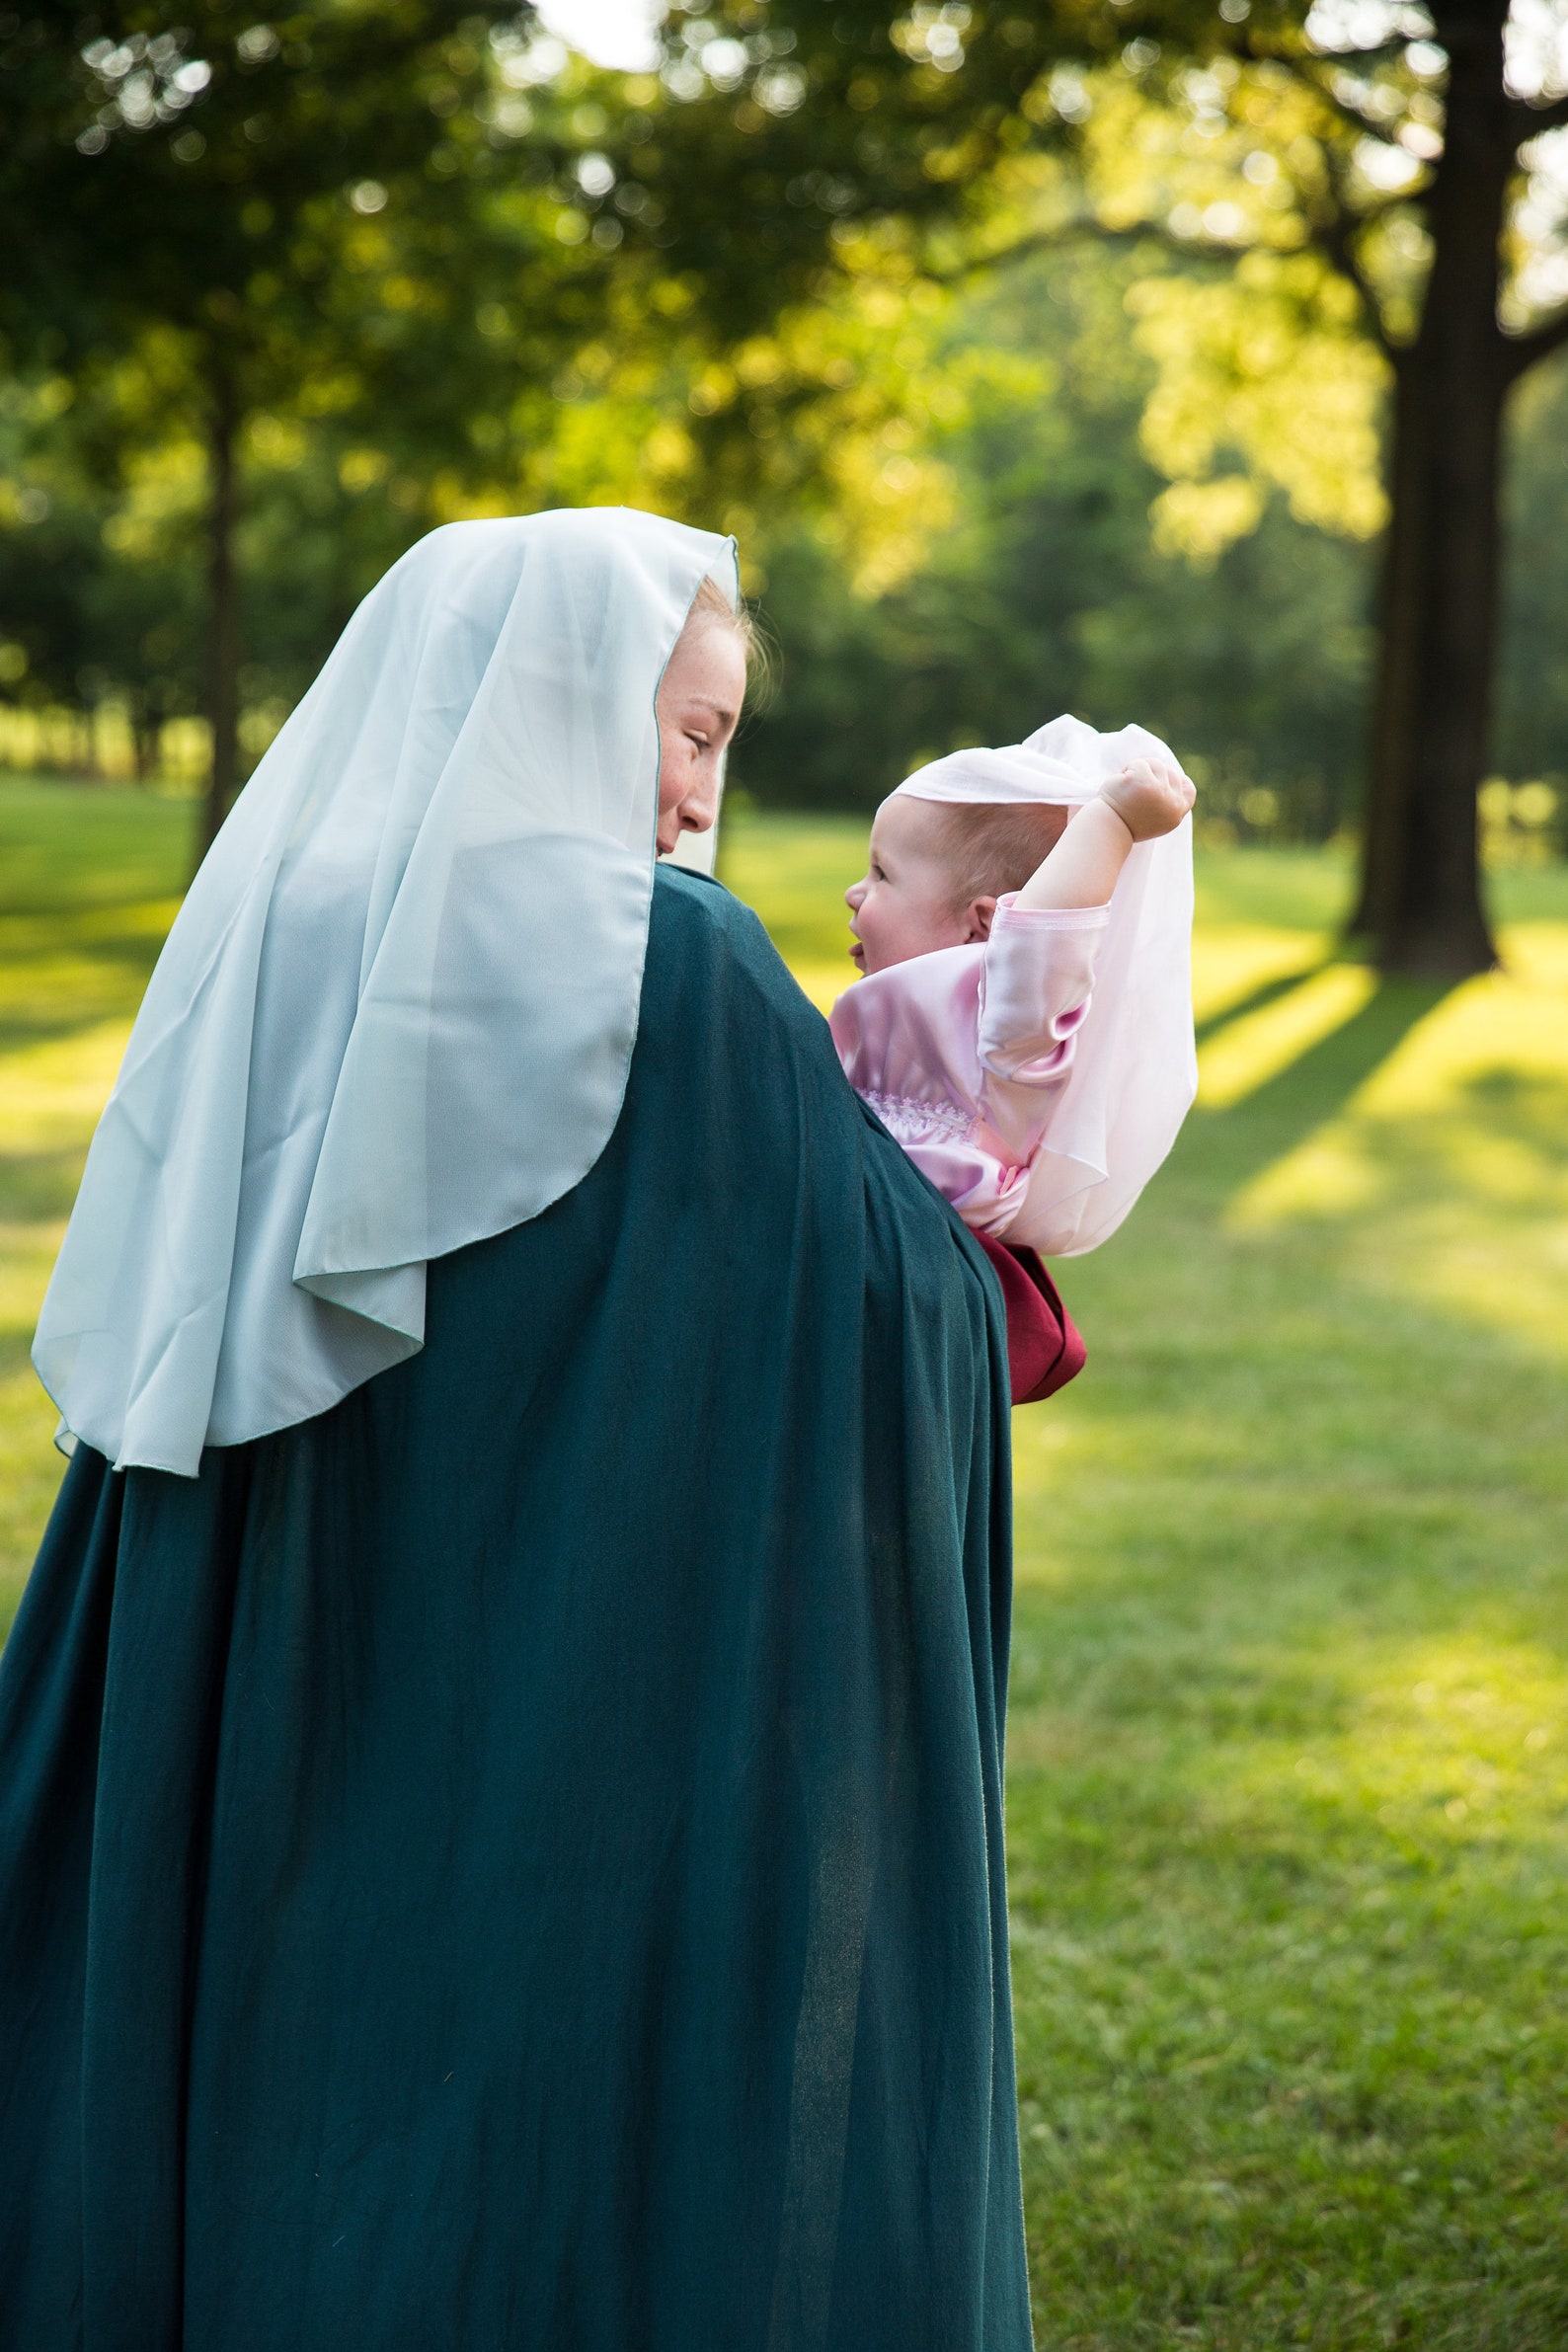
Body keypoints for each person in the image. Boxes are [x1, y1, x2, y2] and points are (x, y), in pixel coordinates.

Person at [0, 509, 1036, 2351]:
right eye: (693, 730)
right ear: (558, 693)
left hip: (298, 1676)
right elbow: (888, 1307)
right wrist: (996, 1240)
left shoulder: (288, 931)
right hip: (557, 1708)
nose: (695, 800)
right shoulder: (670, 968)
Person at [830, 721, 1198, 1333]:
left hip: (904, 1292)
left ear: (982, 927)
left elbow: (1044, 943)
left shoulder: (1001, 1038)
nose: (852, 892)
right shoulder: (898, 1013)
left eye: (882, 875)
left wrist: (1113, 819)